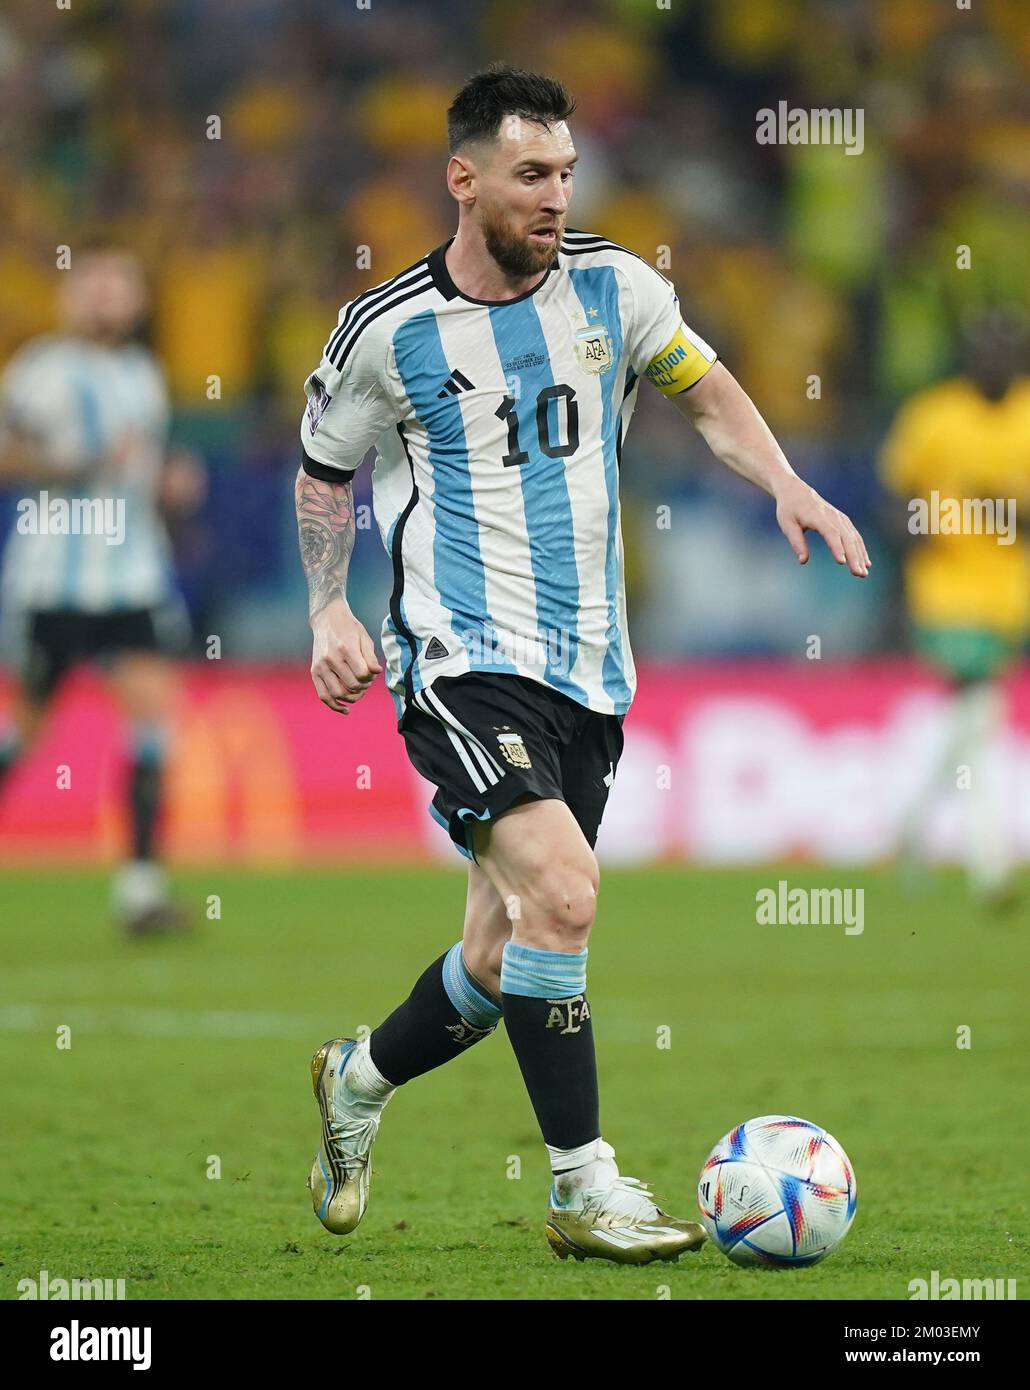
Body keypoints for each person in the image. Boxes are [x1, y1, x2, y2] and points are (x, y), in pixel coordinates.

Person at [295, 65, 869, 1265]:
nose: (556, 195)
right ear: (463, 180)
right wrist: (326, 611)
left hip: (591, 671)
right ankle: (580, 1186)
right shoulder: (388, 331)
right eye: (530, 174)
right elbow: (323, 471)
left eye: (565, 172)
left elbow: (702, 390)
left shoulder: (617, 286)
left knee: (506, 958)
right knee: (563, 891)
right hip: (458, 660)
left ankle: (358, 1076)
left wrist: (787, 483)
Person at [0, 245, 196, 935]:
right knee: (26, 730)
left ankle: (141, 892)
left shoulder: (144, 373)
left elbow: (138, 468)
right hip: (55, 578)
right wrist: (73, 463)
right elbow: (8, 454)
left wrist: (170, 479)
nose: (108, 295)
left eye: (121, 283)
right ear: (71, 295)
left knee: (154, 720)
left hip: (132, 578)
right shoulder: (41, 370)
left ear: (139, 300)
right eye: (96, 283)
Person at [880, 309, 1030, 906]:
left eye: (1006, 353)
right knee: (979, 707)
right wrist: (908, 533)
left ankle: (910, 829)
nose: (994, 364)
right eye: (984, 352)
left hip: (1007, 594)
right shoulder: (933, 416)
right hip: (943, 590)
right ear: (970, 359)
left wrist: (1007, 510)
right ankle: (989, 865)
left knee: (973, 722)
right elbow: (895, 496)